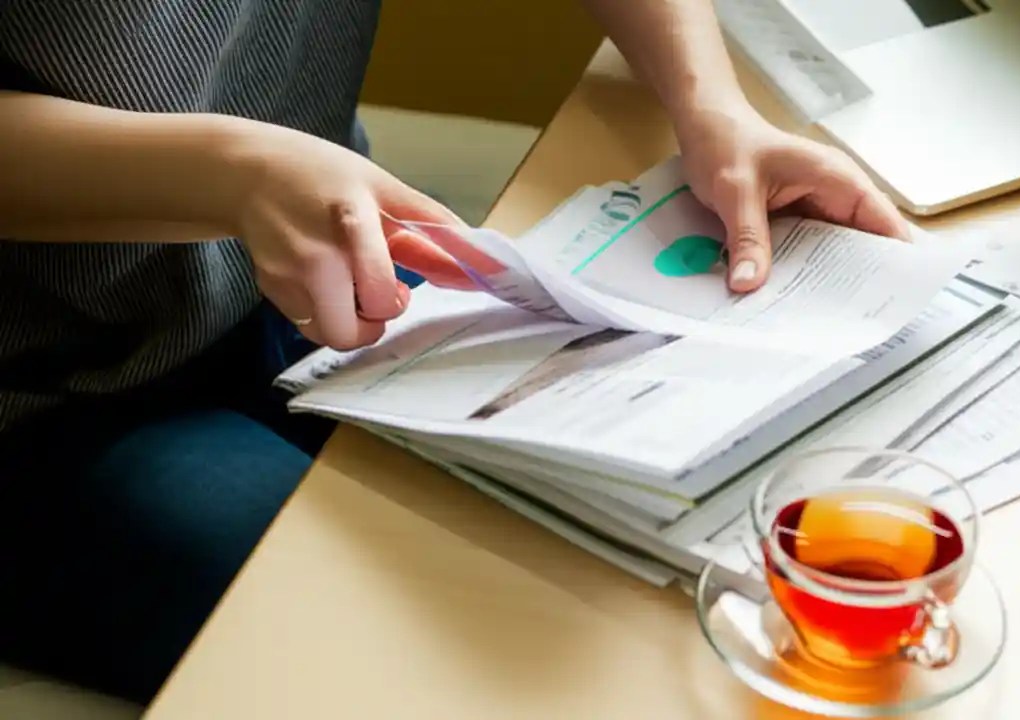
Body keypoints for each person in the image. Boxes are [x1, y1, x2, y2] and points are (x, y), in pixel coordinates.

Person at [0, 0, 909, 706]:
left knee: (650, 540)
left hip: (331, 242)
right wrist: (232, 173)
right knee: (439, 653)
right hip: (47, 400)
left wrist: (710, 105)